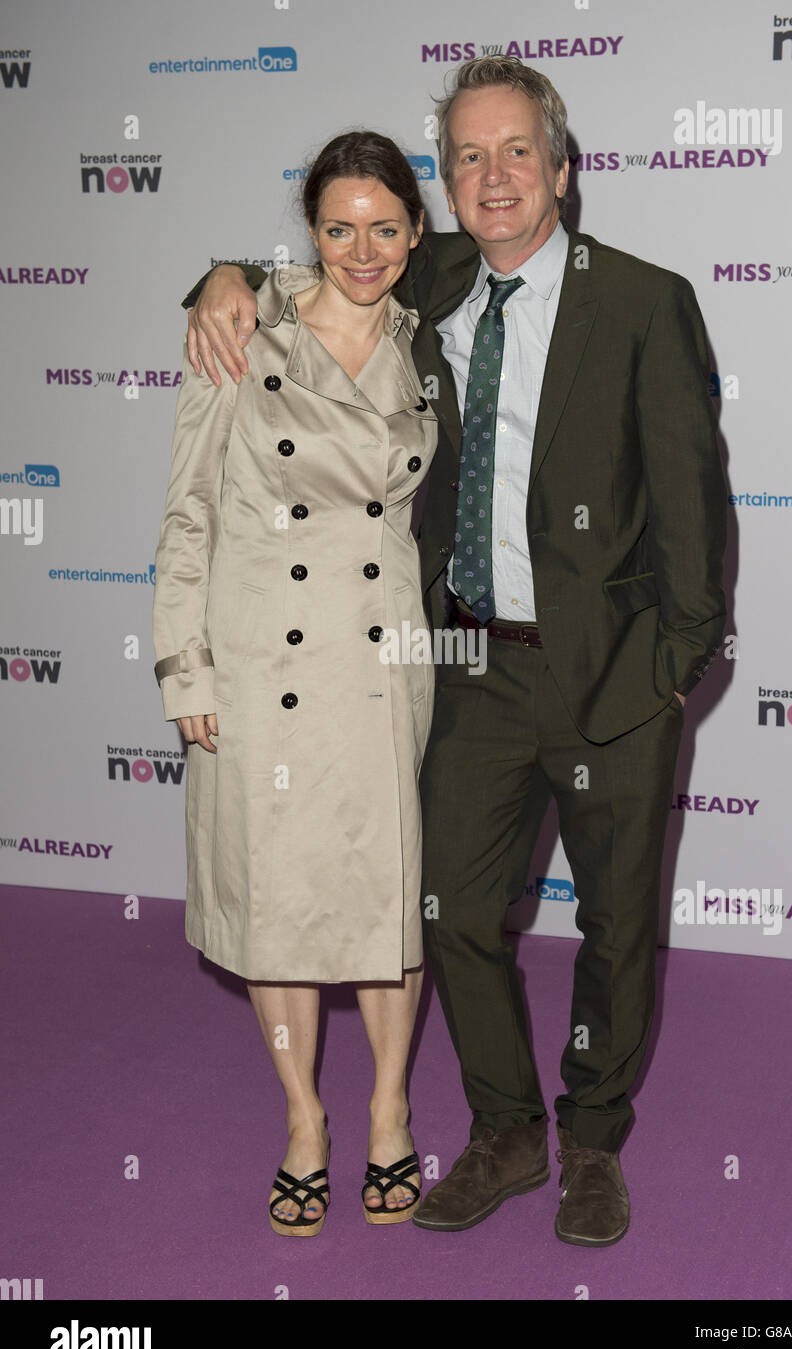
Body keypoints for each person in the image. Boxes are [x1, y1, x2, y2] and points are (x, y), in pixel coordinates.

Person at [182, 56, 727, 1247]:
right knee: (451, 916)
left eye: (514, 151)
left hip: (612, 679)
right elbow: (314, 258)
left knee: (615, 926)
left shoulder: (643, 301)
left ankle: (591, 1138)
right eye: (467, 156)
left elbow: (694, 510)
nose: (492, 176)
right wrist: (218, 276)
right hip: (465, 667)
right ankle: (502, 1128)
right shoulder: (424, 273)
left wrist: (666, 675)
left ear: (561, 170)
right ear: (444, 183)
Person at [152, 131, 438, 1236]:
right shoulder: (241, 327)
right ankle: (303, 1120)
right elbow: (186, 513)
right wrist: (185, 665)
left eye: (383, 227)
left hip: (381, 656)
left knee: (382, 900)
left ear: (417, 232)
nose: (360, 250)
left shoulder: (433, 332)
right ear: (306, 231)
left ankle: (388, 1111)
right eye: (335, 227)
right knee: (275, 912)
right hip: (260, 655)